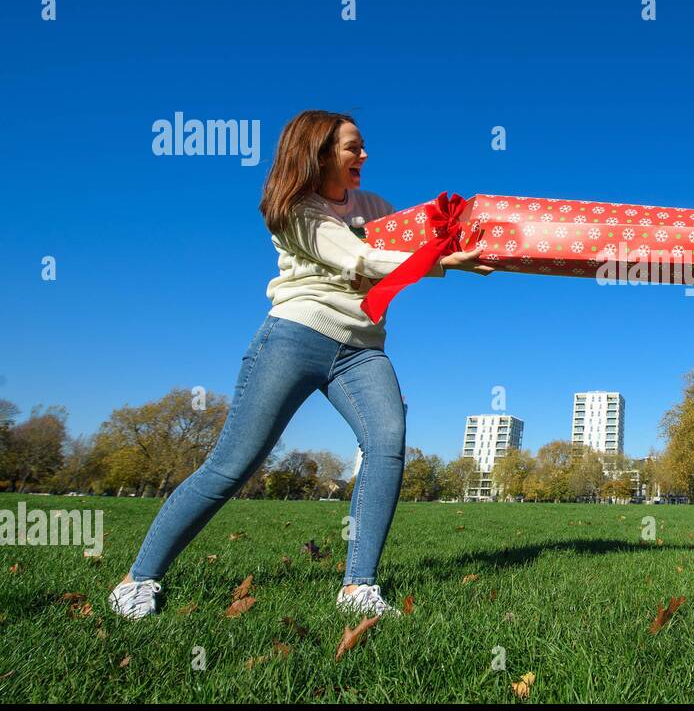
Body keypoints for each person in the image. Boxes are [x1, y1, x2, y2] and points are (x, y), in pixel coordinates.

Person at [109, 110, 491, 620]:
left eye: (363, 146)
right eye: (353, 147)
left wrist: (470, 238)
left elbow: (415, 247)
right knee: (232, 465)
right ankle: (138, 579)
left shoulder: (374, 206)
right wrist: (438, 263)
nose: (364, 155)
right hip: (295, 336)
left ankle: (359, 587)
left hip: (362, 348)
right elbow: (356, 259)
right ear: (318, 152)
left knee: (386, 444)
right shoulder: (296, 210)